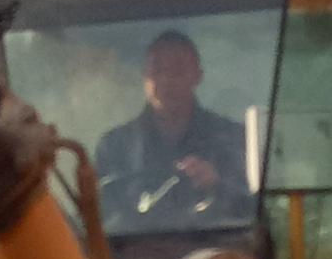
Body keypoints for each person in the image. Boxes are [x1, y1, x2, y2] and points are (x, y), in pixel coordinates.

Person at [94, 29, 252, 230]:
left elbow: (254, 212)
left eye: (178, 71)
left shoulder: (233, 139)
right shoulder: (114, 147)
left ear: (198, 76)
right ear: (145, 77)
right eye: (157, 70)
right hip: (135, 249)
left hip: (218, 247)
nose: (166, 80)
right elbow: (99, 220)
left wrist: (216, 185)